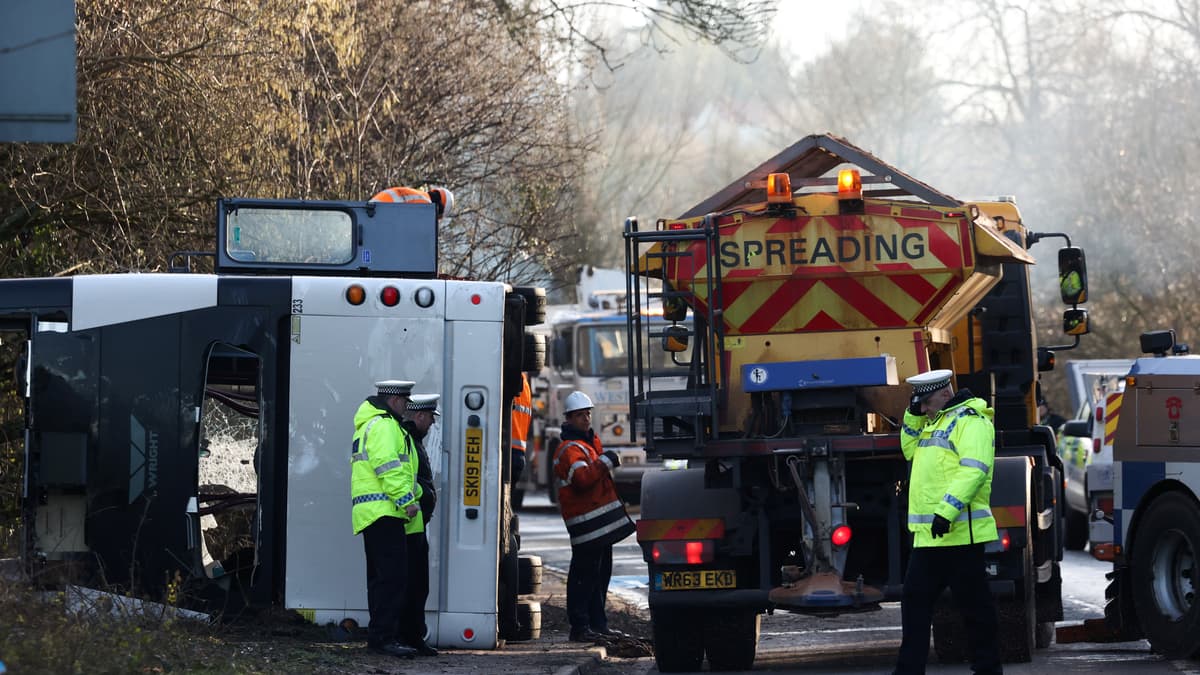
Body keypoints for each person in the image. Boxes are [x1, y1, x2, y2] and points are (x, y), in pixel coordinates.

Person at [894, 369, 1002, 675]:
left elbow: (974, 470)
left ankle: (988, 670)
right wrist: (913, 415)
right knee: (914, 604)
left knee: (975, 609)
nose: (925, 409)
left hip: (961, 534)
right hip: (931, 537)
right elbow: (908, 450)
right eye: (920, 405)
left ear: (944, 394)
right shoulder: (933, 422)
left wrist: (946, 511)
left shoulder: (972, 422)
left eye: (926, 403)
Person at [552, 391, 636, 642]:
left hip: (599, 527)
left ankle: (598, 625)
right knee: (584, 576)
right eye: (580, 415)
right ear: (568, 419)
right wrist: (606, 461)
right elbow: (582, 479)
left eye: (587, 413)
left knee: (599, 576)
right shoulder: (569, 449)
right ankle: (580, 627)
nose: (586, 419)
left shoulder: (588, 445)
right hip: (586, 527)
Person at [350, 379, 420, 659]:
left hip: (372, 514)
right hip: (384, 512)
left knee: (381, 579)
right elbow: (388, 468)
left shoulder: (370, 423)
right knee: (392, 578)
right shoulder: (384, 425)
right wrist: (406, 501)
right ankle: (384, 639)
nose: (406, 408)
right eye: (404, 402)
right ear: (394, 401)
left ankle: (379, 638)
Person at [398, 393, 440, 657]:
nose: (432, 424)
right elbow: (404, 479)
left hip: (414, 524)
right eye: (431, 418)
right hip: (408, 523)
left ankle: (413, 636)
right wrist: (424, 495)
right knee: (411, 584)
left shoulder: (412, 440)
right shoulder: (407, 440)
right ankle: (408, 636)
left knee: (418, 584)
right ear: (420, 416)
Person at [498, 373, 533, 642]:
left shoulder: (506, 373)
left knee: (502, 539)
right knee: (506, 531)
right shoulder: (523, 381)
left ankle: (506, 619)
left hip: (505, 453)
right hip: (515, 454)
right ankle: (509, 619)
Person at [370, 185, 455, 221]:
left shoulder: (418, 195)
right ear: (439, 208)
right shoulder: (425, 207)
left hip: (371, 211)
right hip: (378, 217)